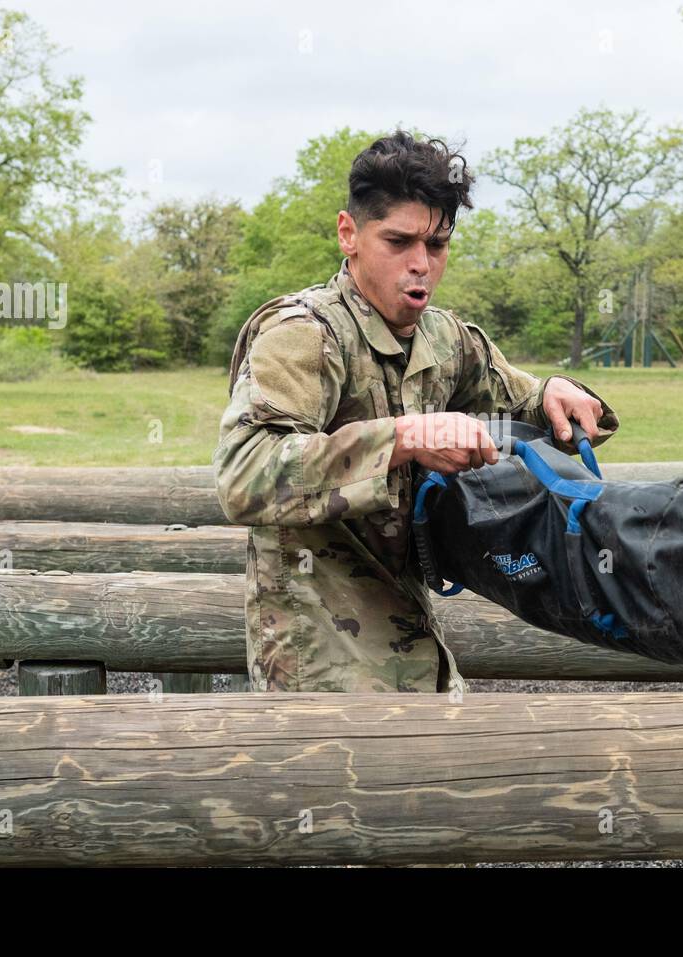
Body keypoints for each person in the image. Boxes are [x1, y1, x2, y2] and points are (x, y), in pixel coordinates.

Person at [214, 130, 620, 696]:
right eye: (399, 241)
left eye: (437, 245)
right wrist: (403, 438)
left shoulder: (445, 338)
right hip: (320, 656)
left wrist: (554, 391)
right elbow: (243, 476)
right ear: (348, 233)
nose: (420, 265)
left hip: (415, 634)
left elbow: (516, 398)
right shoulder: (304, 334)